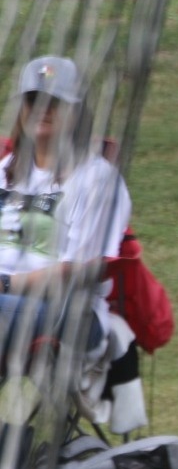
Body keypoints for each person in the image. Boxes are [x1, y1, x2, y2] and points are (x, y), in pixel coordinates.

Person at [0, 55, 132, 368]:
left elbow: (78, 272)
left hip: (69, 313)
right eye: (33, 100)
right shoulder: (4, 170)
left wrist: (6, 284)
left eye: (54, 102)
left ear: (77, 112)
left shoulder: (98, 180)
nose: (42, 110)